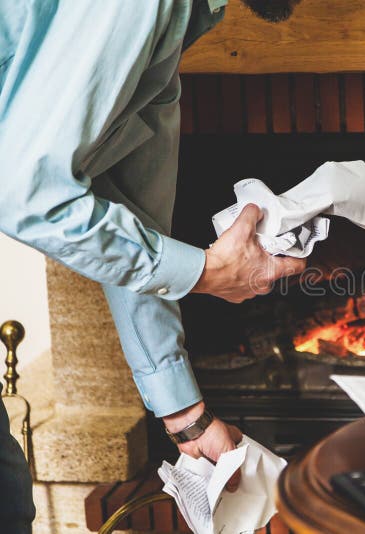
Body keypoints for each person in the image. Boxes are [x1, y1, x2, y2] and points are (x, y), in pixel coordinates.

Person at [0, 1, 305, 531]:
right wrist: (207, 272)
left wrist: (188, 418)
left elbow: (134, 216)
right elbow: (26, 194)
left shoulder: (172, 22)